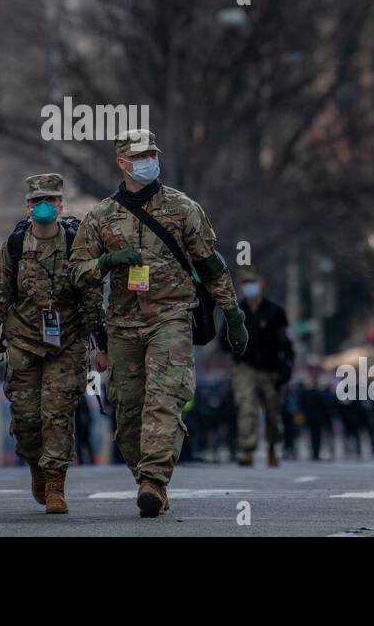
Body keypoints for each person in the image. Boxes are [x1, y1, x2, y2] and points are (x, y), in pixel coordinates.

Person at [69, 129, 247, 517]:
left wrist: (232, 313)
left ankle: (154, 480)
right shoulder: (100, 217)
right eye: (140, 155)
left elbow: (210, 265)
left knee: (164, 399)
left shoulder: (184, 209)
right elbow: (77, 272)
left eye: (152, 153)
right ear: (122, 163)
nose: (149, 160)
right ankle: (145, 478)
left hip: (171, 316)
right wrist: (107, 263)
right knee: (129, 411)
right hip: (122, 325)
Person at [0, 173, 104, 513]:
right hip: (23, 342)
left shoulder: (78, 245)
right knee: (26, 420)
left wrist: (101, 346)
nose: (43, 206)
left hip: (68, 342)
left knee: (58, 415)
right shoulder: (14, 247)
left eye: (49, 200)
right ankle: (36, 465)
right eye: (36, 201)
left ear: (61, 206)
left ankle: (55, 484)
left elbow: (92, 299)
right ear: (27, 207)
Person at [224, 268, 293, 467]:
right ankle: (247, 449)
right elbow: (223, 340)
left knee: (272, 410)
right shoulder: (236, 311)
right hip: (245, 367)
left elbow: (286, 342)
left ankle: (273, 446)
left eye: (251, 283)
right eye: (245, 284)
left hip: (271, 369)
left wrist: (287, 365)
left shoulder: (275, 312)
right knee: (246, 407)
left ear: (260, 284)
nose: (249, 287)